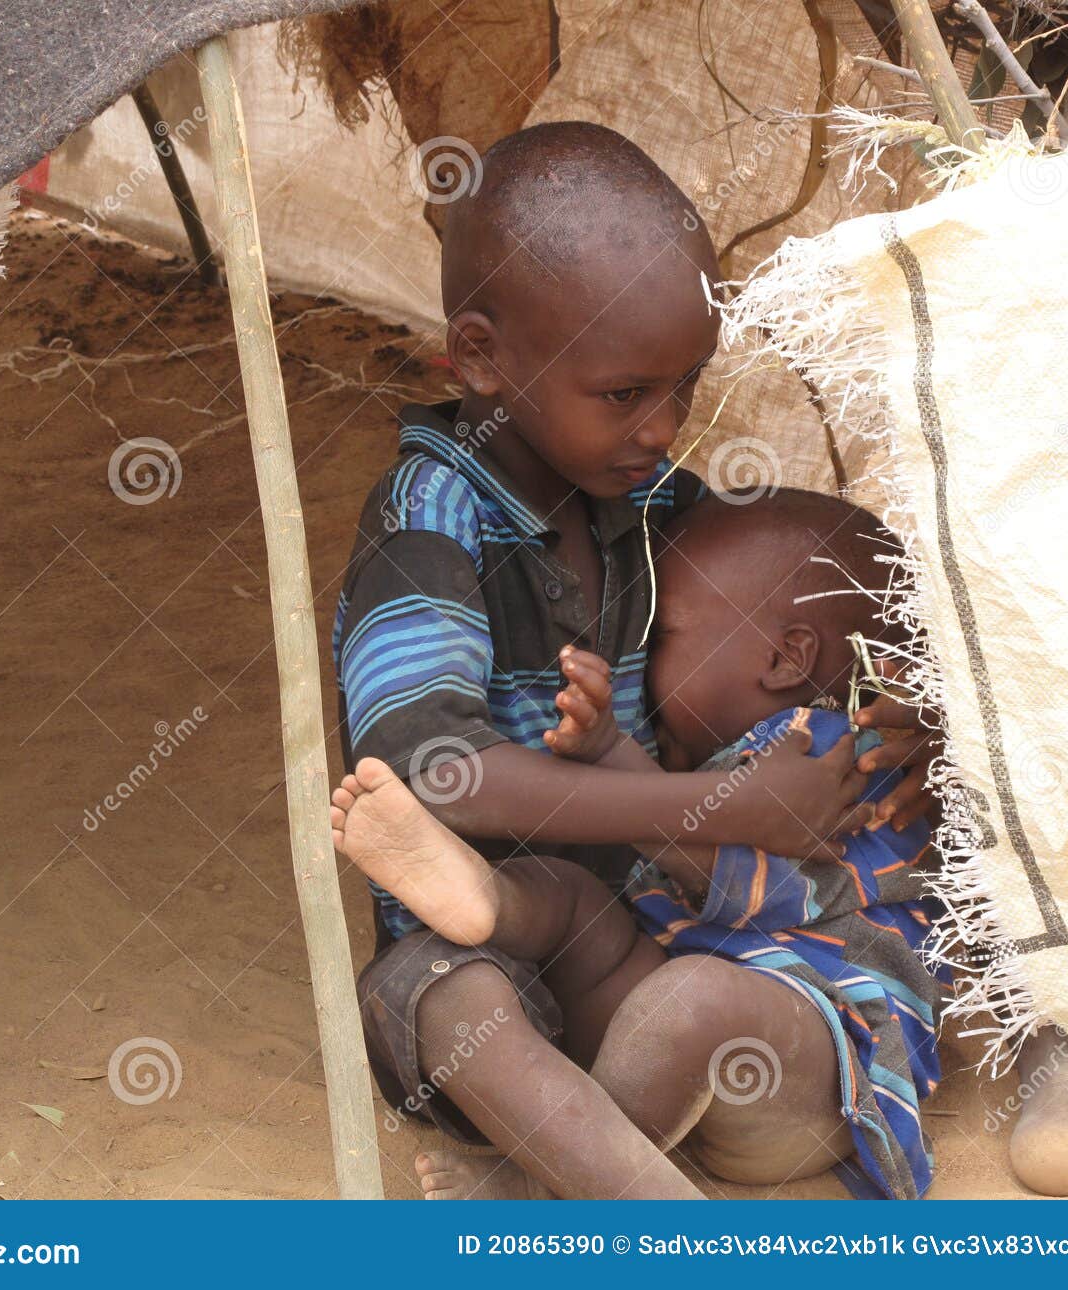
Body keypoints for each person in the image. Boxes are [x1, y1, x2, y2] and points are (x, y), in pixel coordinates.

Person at [332, 124, 903, 1200]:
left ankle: (565, 1188)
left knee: (718, 996)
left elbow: (827, 616)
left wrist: (901, 708)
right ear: (482, 356)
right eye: (622, 394)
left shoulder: (654, 508)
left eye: (684, 387)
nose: (662, 426)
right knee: (440, 994)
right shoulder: (428, 522)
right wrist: (723, 806)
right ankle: (643, 1210)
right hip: (512, 960)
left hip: (665, 950)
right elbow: (428, 768)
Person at [333, 490, 949, 1198]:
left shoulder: (839, 756)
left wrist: (611, 753)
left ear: (785, 658)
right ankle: (484, 899)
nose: (644, 668)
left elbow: (732, 878)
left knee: (693, 997)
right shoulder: (741, 755)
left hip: (816, 1061)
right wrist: (614, 753)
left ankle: (549, 1182)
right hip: (696, 1044)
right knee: (572, 896)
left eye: (666, 640)